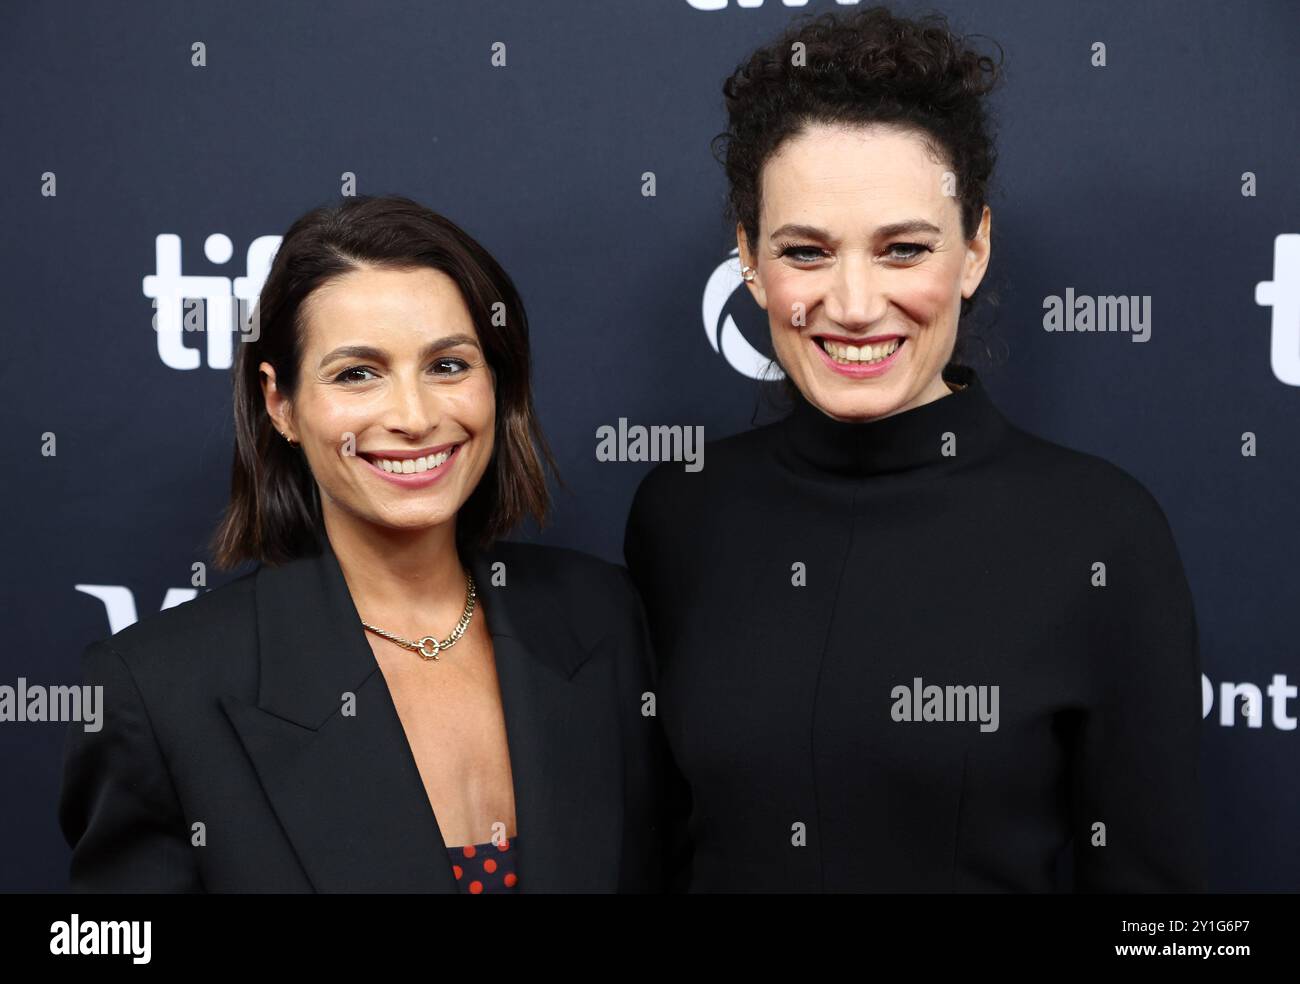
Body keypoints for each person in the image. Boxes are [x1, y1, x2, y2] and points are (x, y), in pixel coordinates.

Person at [624, 6, 1206, 892]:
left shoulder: (1101, 532)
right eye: (806, 251)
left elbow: (1169, 923)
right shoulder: (682, 510)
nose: (855, 304)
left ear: (972, 251)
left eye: (903, 249)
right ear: (748, 260)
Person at [60, 194, 671, 893]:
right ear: (280, 403)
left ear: (498, 384)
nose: (414, 417)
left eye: (448, 365)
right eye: (357, 373)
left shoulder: (602, 619)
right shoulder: (159, 690)